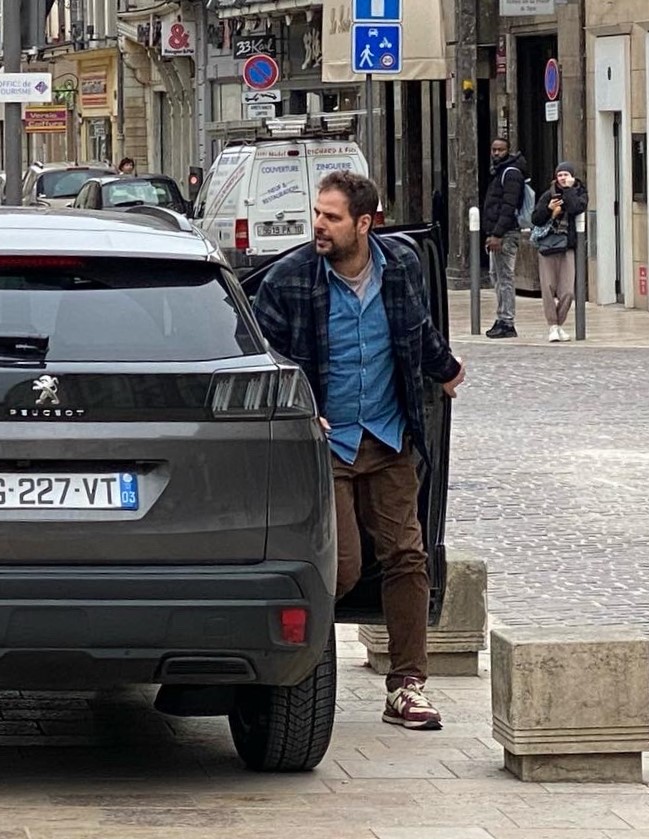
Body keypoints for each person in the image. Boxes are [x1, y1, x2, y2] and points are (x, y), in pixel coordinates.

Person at [251, 170, 465, 731]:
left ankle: (408, 687)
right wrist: (300, 403)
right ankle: (298, 678)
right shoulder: (291, 278)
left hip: (388, 439)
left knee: (408, 558)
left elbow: (416, 330)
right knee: (340, 568)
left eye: (332, 216)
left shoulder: (401, 266)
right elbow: (262, 352)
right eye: (317, 213)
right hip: (326, 445)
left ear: (364, 223)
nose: (318, 225)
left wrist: (447, 370)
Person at [529, 162, 588, 343]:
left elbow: (576, 207)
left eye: (565, 175)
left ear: (572, 176)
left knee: (568, 291)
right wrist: (548, 209)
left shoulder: (579, 192)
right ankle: (553, 326)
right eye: (560, 175)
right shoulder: (549, 194)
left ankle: (559, 323)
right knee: (548, 288)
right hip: (548, 246)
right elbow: (536, 219)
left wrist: (569, 191)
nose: (562, 178)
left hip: (567, 246)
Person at [481, 137, 529, 339]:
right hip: (498, 232)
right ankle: (502, 318)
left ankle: (507, 321)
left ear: (508, 151)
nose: (496, 153)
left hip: (506, 234)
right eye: (493, 149)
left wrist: (497, 234)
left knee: (504, 277)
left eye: (500, 150)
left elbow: (508, 206)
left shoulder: (511, 174)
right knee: (496, 275)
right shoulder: (500, 172)